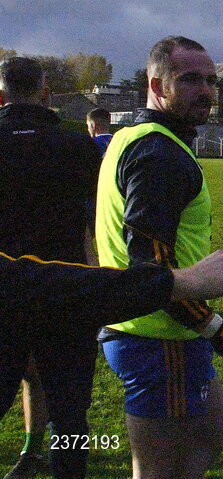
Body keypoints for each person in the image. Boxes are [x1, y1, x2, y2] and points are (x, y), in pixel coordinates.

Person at [95, 36, 223, 479]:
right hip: (157, 333)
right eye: (189, 80)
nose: (206, 90)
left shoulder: (138, 136)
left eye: (210, 80)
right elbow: (151, 272)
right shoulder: (159, 154)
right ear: (157, 85)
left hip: (159, 328)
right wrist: (220, 332)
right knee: (161, 468)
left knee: (213, 430)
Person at [2, 251, 223, 421]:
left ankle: (36, 454)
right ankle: (34, 452)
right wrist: (179, 284)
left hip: (96, 307)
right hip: (148, 332)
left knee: (69, 416)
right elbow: (21, 286)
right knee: (158, 462)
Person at [0, 57, 103, 479]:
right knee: (70, 415)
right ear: (45, 90)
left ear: (2, 93)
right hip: (65, 291)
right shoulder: (77, 145)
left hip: (4, 293)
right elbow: (94, 225)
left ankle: (29, 453)